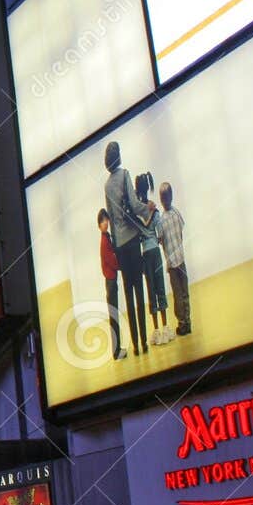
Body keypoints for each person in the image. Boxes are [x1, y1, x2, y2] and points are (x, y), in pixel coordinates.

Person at [103, 142, 150, 355]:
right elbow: (134, 203)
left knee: (129, 296)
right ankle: (144, 343)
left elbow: (112, 218)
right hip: (132, 241)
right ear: (118, 157)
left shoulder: (106, 186)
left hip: (120, 245)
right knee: (140, 290)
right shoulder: (124, 175)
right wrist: (147, 208)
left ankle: (134, 346)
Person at [136, 173, 170, 345]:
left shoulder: (136, 213)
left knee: (151, 291)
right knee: (160, 288)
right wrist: (157, 239)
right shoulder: (154, 210)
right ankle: (165, 328)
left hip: (145, 255)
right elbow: (160, 231)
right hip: (155, 253)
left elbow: (136, 234)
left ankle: (156, 331)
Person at [156, 182, 191, 336]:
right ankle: (186, 323)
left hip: (173, 262)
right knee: (183, 293)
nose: (165, 200)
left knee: (180, 294)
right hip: (179, 260)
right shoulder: (175, 214)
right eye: (164, 197)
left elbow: (161, 241)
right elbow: (180, 235)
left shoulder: (162, 220)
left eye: (165, 197)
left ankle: (184, 323)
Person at [97, 210, 127, 359]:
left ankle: (117, 350)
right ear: (99, 225)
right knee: (113, 316)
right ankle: (116, 352)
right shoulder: (104, 241)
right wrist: (123, 265)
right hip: (110, 282)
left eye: (106, 220)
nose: (105, 223)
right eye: (102, 221)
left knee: (114, 315)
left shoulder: (107, 237)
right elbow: (112, 261)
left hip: (111, 280)